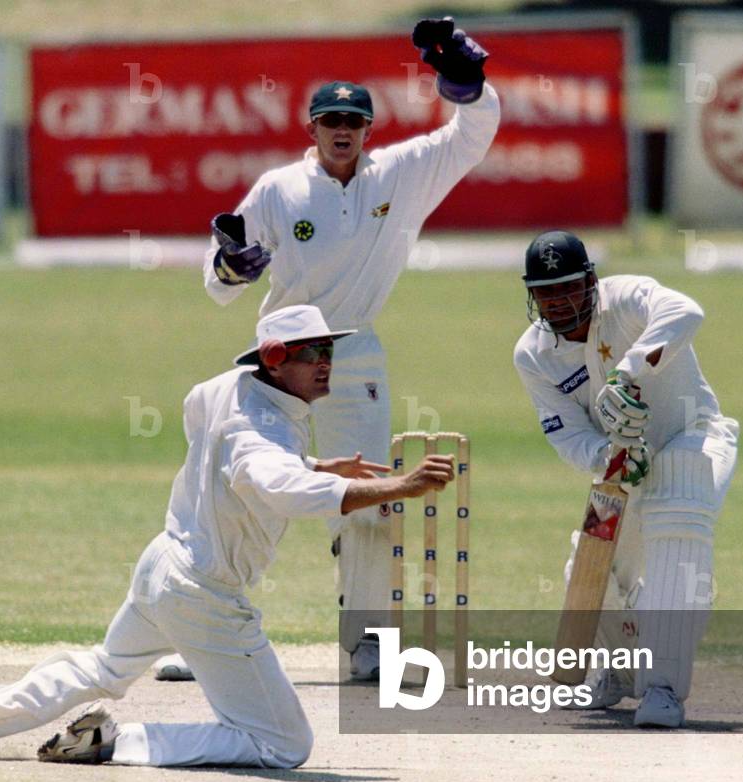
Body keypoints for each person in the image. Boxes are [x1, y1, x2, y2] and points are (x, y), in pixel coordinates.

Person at [0, 305, 456, 767]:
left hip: (163, 565)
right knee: (284, 747)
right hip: (206, 592)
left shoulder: (224, 389)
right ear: (275, 358)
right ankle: (114, 743)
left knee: (99, 671)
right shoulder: (261, 432)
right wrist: (400, 487)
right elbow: (277, 487)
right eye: (310, 355)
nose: (326, 363)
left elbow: (234, 453)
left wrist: (318, 466)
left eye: (329, 350)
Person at [175, 16, 500, 682]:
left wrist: (466, 78)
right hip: (280, 357)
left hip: (355, 351)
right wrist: (233, 266)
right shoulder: (278, 190)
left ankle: (369, 644)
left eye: (353, 121)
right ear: (312, 129)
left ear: (369, 131)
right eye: (330, 121)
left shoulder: (402, 174)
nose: (342, 130)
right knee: (246, 494)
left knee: (372, 495)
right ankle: (207, 629)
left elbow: (473, 134)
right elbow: (218, 282)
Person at [512, 231, 739, 728]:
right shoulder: (532, 355)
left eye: (570, 287)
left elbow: (687, 312)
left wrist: (628, 373)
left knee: (675, 529)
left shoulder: (628, 296)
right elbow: (567, 435)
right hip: (620, 465)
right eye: (546, 293)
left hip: (693, 436)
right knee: (590, 568)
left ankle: (662, 689)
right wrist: (609, 457)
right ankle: (617, 670)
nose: (559, 302)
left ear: (591, 280)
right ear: (532, 295)